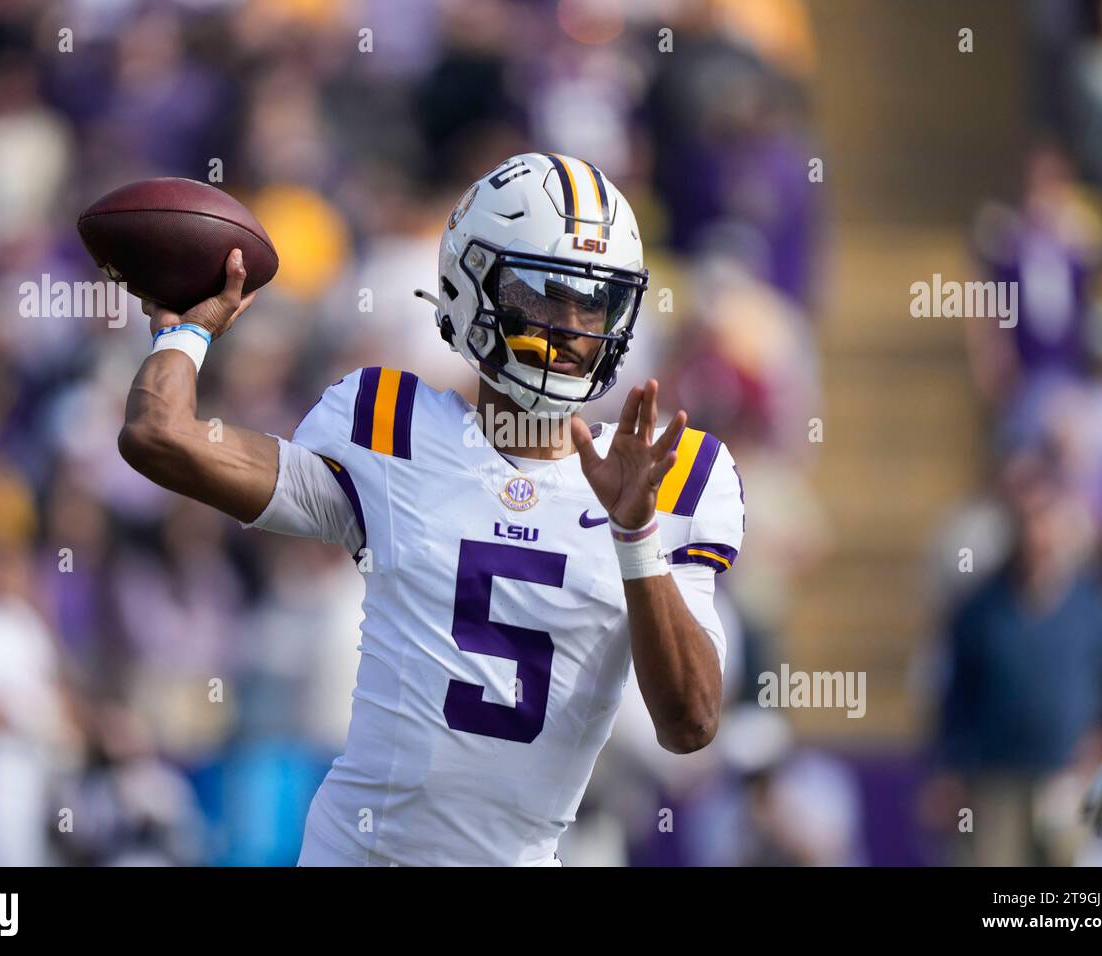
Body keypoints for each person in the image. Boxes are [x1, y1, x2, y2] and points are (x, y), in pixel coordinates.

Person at [116, 153, 745, 866]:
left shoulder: (669, 477)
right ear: (470, 286)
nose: (572, 327)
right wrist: (187, 332)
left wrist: (636, 535)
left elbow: (691, 724)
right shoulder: (390, 429)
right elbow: (158, 436)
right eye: (543, 295)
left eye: (592, 301)